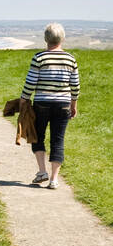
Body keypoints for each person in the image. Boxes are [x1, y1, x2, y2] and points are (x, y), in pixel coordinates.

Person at [21, 23, 80, 189]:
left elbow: (30, 83)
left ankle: (42, 171)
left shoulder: (39, 58)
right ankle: (54, 179)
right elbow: (75, 85)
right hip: (63, 104)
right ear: (62, 39)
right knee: (58, 140)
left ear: (46, 39)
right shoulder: (70, 59)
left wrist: (24, 100)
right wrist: (73, 104)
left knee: (37, 136)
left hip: (42, 103)